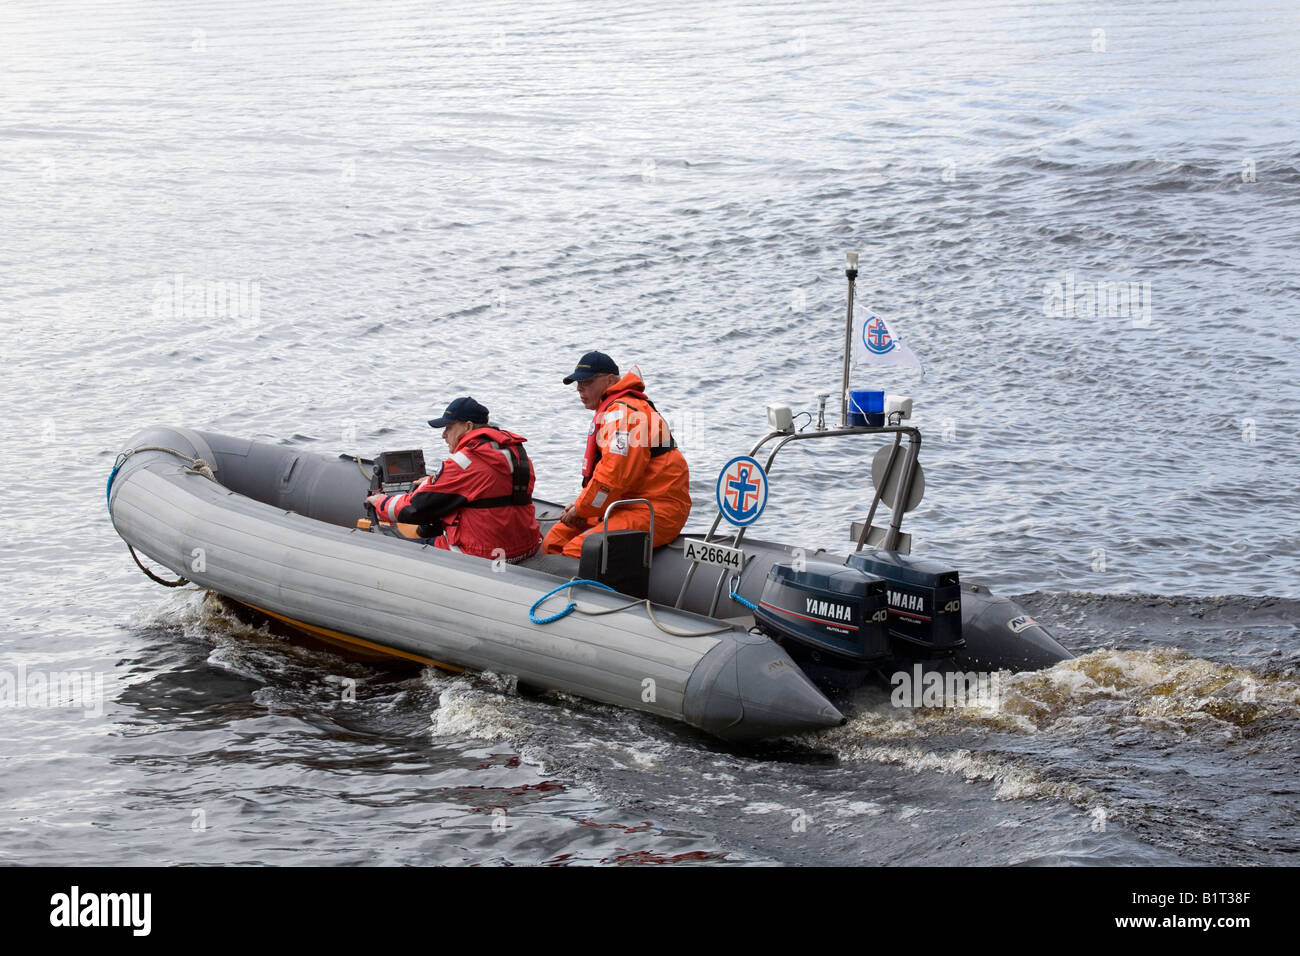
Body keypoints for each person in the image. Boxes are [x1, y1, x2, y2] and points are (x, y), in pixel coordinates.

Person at [542, 351, 691, 558]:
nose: (579, 388)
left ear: (610, 380)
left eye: (587, 382)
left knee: (578, 552)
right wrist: (581, 507)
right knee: (554, 541)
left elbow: (613, 475)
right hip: (623, 504)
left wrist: (581, 509)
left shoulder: (624, 414)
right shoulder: (615, 410)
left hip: (653, 510)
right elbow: (609, 476)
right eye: (578, 383)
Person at [365, 396, 541, 562]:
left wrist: (381, 502)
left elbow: (416, 508)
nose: (444, 434)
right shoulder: (514, 452)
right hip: (526, 547)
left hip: (483, 553)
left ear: (468, 426)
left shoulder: (465, 461)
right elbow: (487, 485)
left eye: (448, 427)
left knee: (391, 548)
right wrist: (432, 481)